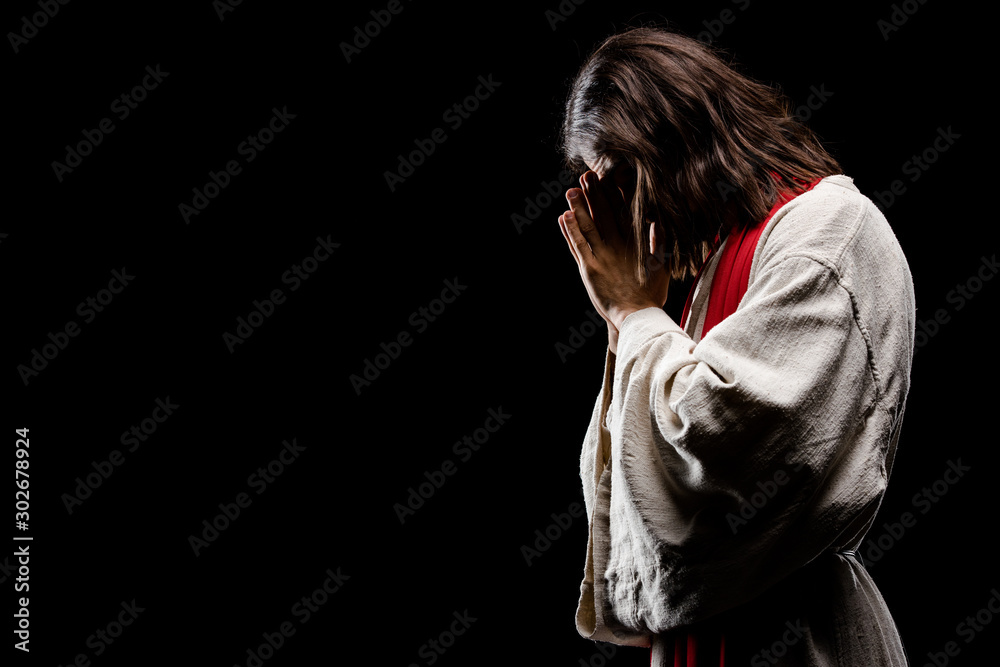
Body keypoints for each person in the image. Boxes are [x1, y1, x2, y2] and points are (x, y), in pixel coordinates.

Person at [556, 26, 915, 666]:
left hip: (798, 635)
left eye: (622, 184)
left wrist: (633, 313)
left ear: (675, 145)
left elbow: (723, 447)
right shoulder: (708, 273)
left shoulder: (825, 232)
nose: (623, 216)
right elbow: (633, 497)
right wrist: (630, 323)